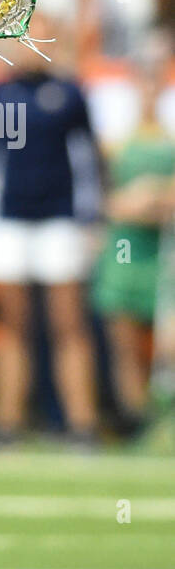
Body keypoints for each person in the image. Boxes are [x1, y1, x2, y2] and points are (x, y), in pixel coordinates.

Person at [0, 15, 105, 449]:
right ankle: (7, 424)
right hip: (11, 221)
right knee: (13, 327)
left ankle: (82, 425)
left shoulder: (69, 94)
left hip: (59, 221)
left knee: (68, 326)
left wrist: (95, 220)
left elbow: (91, 160)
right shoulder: (1, 94)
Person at [92, 40, 175, 437]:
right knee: (123, 344)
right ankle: (136, 424)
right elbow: (102, 197)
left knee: (168, 344)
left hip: (165, 253)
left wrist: (155, 197)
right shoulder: (115, 136)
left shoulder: (169, 134)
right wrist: (128, 205)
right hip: (124, 250)